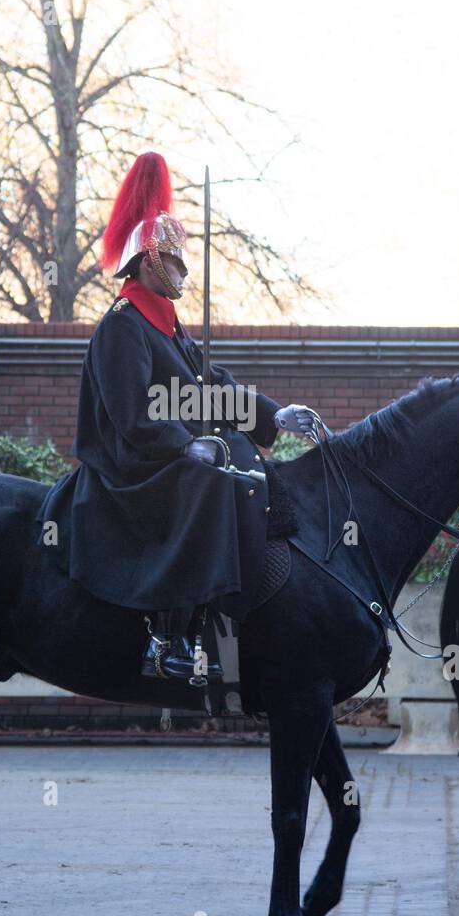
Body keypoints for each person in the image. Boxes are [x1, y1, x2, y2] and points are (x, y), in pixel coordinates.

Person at [52, 151, 321, 680]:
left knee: (238, 460)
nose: (184, 270)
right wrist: (184, 444)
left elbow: (210, 386)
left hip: (160, 452)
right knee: (210, 479)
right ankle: (165, 632)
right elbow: (131, 417)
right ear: (150, 261)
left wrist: (274, 416)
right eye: (176, 261)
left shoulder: (168, 327)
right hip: (132, 463)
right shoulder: (123, 327)